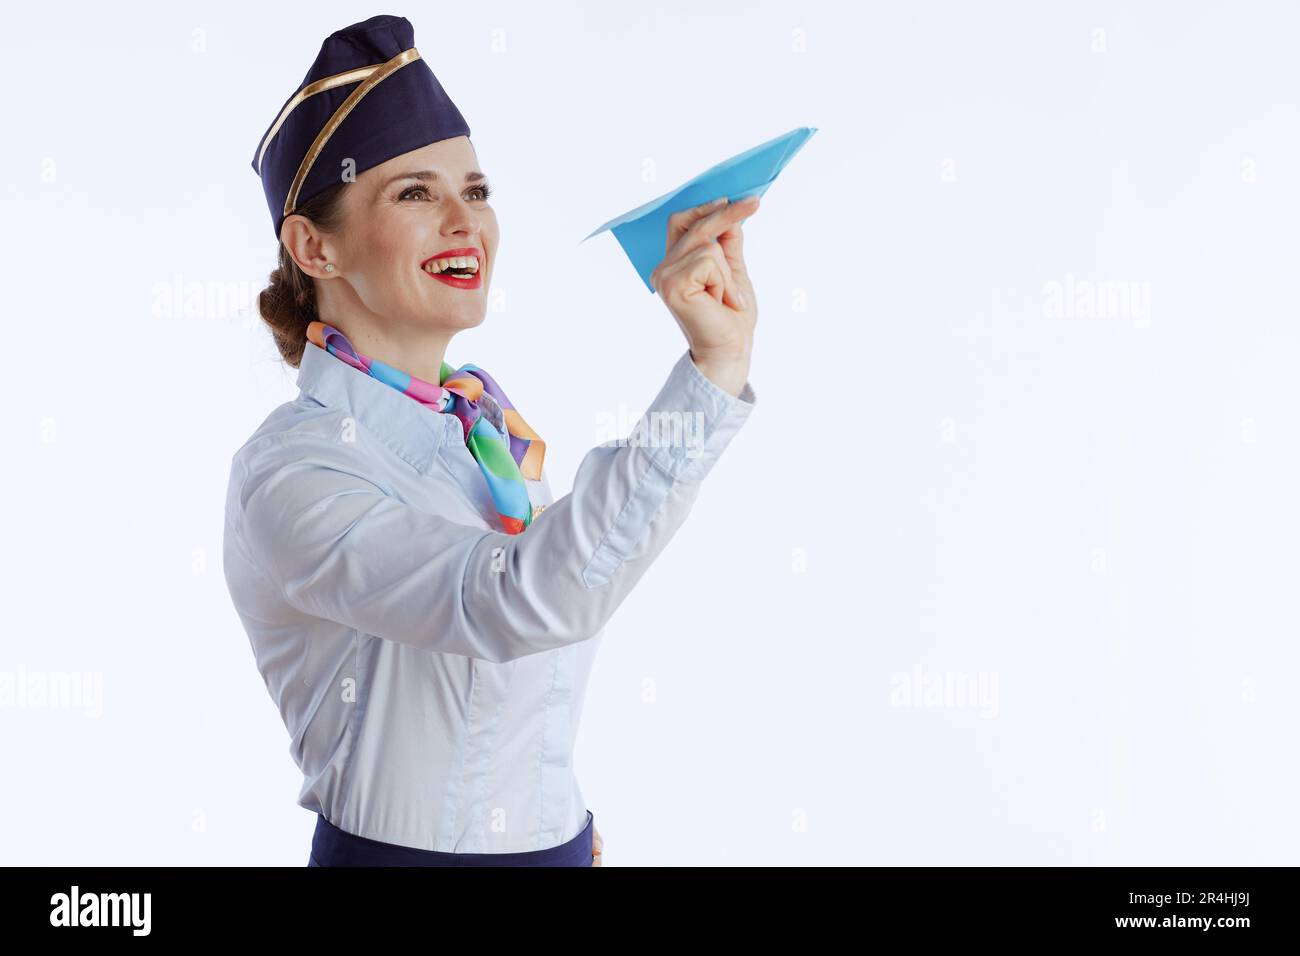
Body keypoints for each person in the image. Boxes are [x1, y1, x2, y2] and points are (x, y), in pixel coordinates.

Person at [223, 14, 759, 867]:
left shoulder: (485, 435)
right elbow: (518, 602)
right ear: (313, 245)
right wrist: (710, 369)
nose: (464, 222)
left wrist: (563, 831)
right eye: (415, 193)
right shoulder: (294, 474)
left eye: (475, 191)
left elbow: (510, 699)